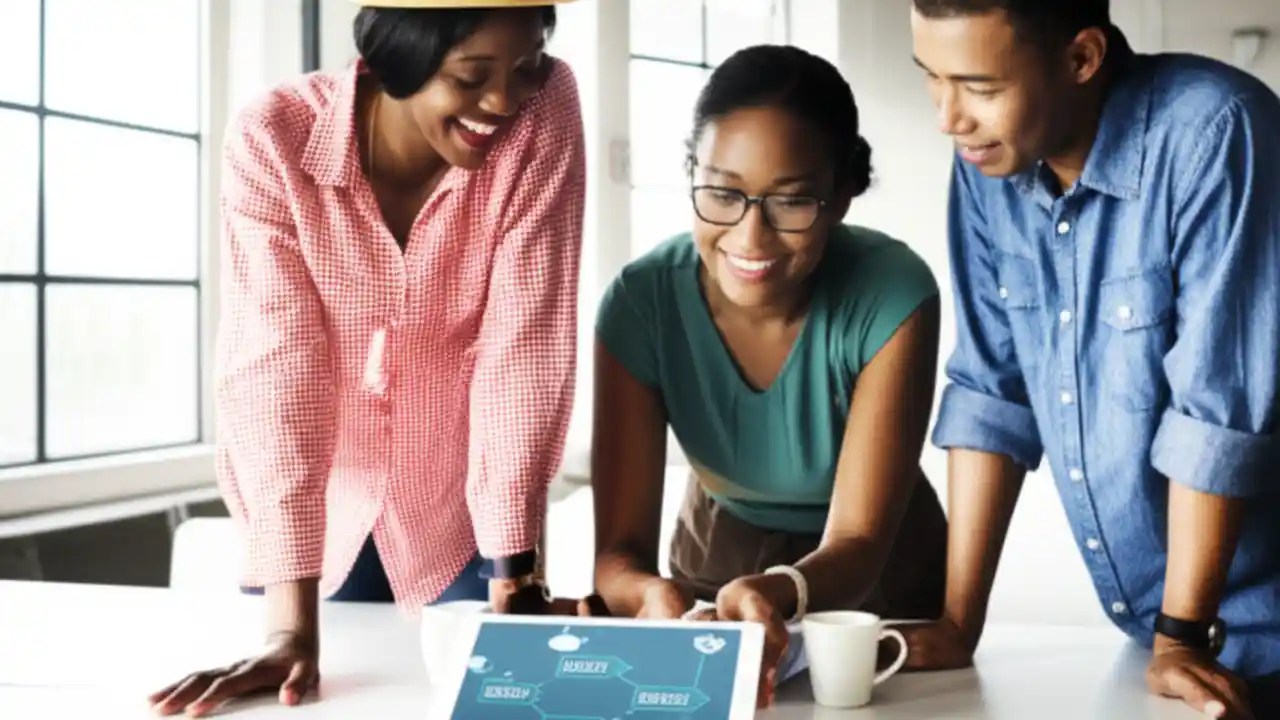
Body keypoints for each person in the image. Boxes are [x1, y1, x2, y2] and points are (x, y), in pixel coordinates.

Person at [149, 1, 589, 716]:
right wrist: (289, 629)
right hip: (319, 519)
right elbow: (276, 367)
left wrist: (517, 574)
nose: (505, 100)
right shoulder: (275, 138)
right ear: (398, 60)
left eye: (526, 64)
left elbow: (525, 345)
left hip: (464, 517)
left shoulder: (545, 110)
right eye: (471, 75)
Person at [906, 1, 1280, 718]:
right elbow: (991, 391)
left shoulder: (1217, 131)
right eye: (932, 77)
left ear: (1081, 58)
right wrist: (959, 624)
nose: (948, 118)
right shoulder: (987, 164)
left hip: (1248, 634)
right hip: (1167, 644)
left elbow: (1216, 411)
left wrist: (1180, 638)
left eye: (980, 87)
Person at [591, 44, 949, 708]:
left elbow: (860, 540)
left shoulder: (893, 294)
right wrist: (651, 597)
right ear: (690, 172)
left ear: (841, 195)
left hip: (879, 583)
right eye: (722, 193)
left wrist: (781, 591)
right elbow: (618, 557)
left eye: (790, 202)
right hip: (712, 563)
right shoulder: (640, 302)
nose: (750, 238)